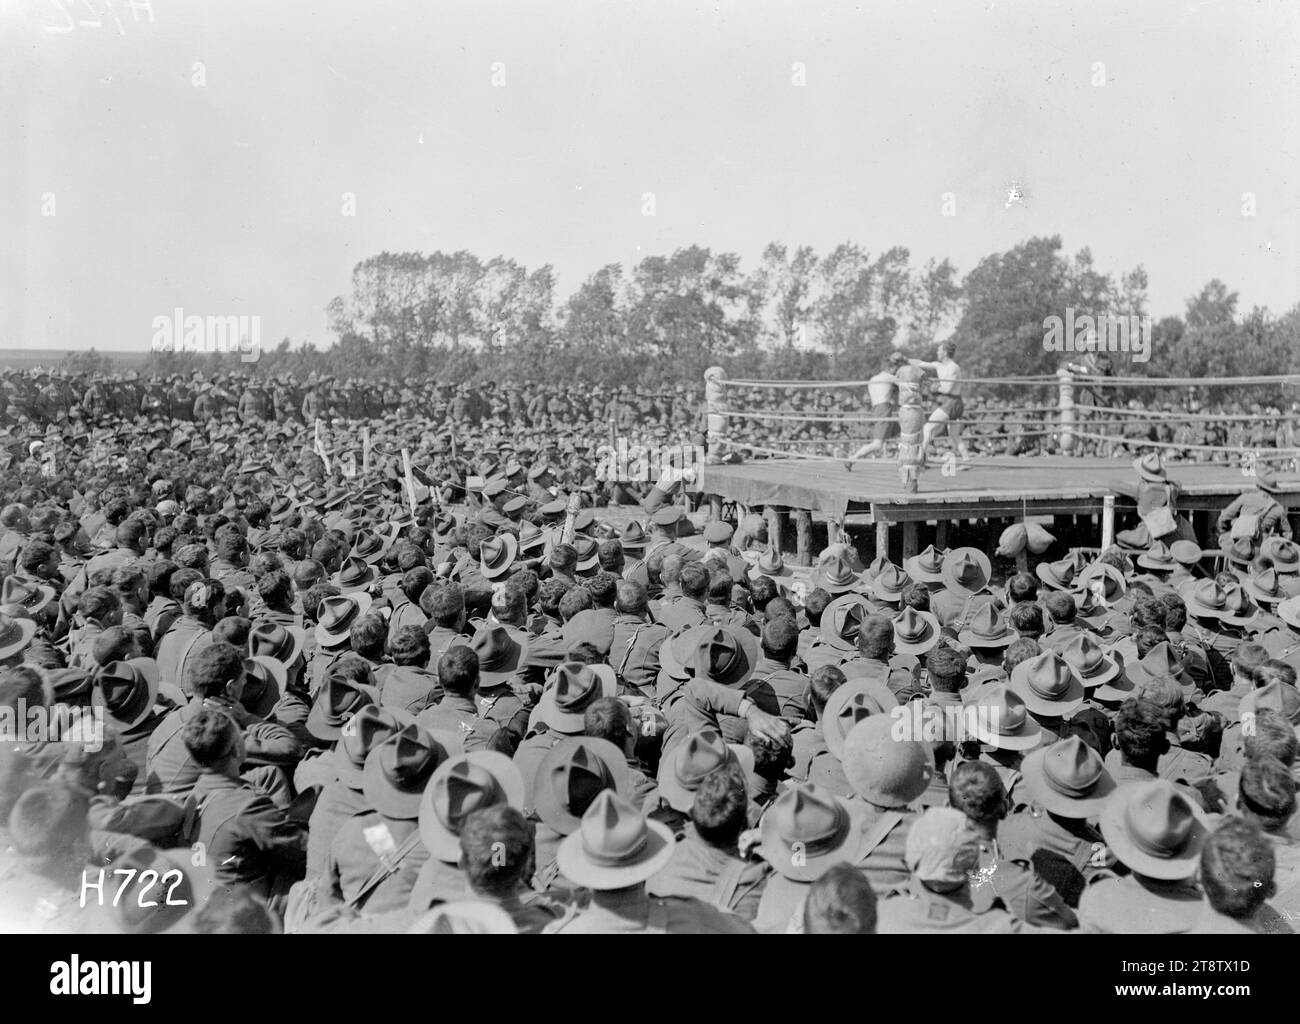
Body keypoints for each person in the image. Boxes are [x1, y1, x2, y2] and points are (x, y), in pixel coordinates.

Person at [908, 340, 972, 461]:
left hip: (952, 402)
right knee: (954, 435)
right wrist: (905, 360)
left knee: (928, 428)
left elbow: (947, 389)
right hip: (951, 402)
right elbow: (921, 363)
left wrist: (935, 387)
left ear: (945, 352)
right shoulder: (939, 365)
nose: (937, 352)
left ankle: (919, 458)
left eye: (939, 350)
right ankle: (966, 459)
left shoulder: (953, 368)